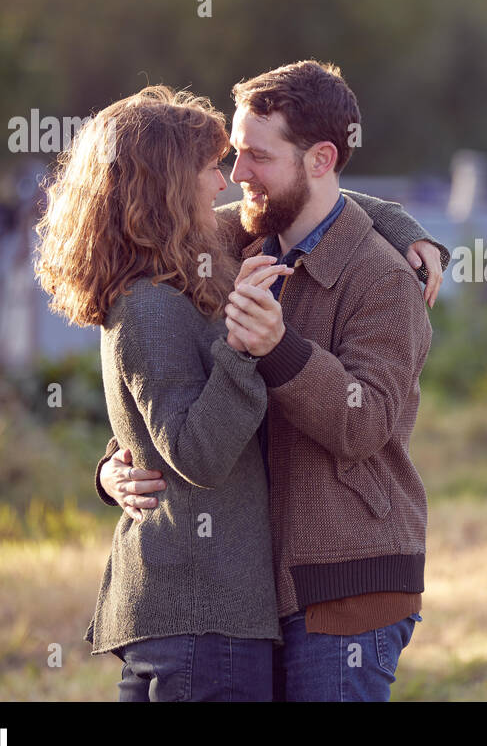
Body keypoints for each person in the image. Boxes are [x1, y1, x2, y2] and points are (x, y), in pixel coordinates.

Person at [36, 84, 444, 700]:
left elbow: (367, 424)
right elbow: (170, 387)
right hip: (251, 590)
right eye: (229, 157)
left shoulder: (385, 278)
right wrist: (121, 466)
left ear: (321, 160)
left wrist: (280, 346)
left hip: (344, 580)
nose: (235, 176)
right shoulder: (230, 241)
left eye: (256, 157)